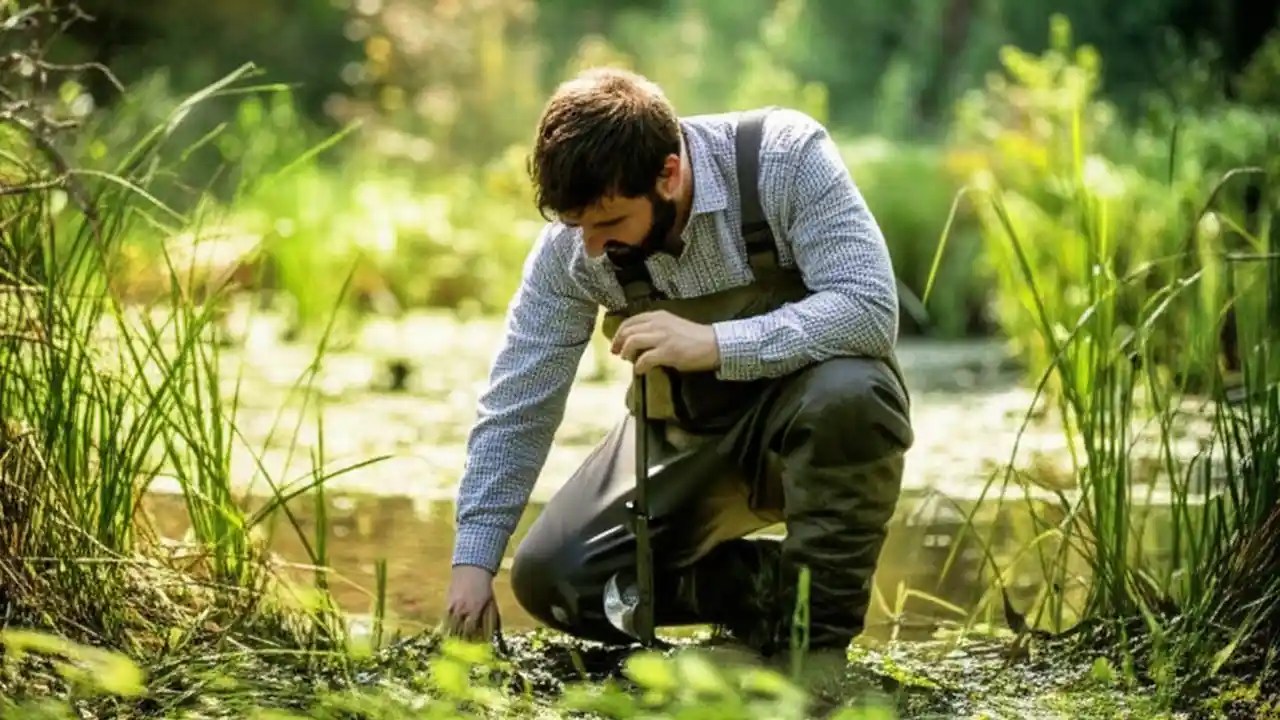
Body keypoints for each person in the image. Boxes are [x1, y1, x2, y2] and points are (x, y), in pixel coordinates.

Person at [443, 67, 913, 678]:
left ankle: (814, 651)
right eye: (576, 226)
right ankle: (774, 592)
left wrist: (715, 344)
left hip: (808, 418)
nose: (589, 247)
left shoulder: (784, 160)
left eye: (608, 224)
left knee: (854, 394)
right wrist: (472, 565)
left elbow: (869, 307)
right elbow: (520, 400)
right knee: (554, 580)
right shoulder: (575, 248)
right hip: (682, 437)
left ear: (669, 173)